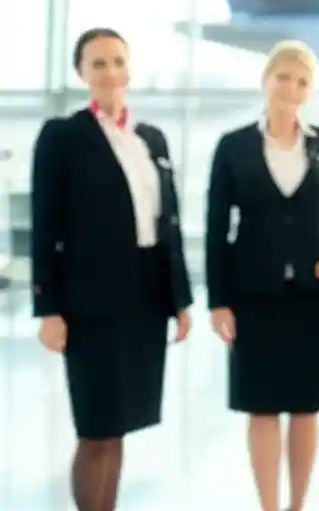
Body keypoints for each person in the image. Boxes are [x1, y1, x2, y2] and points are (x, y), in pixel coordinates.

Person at [31, 28, 194, 510]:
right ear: (81, 72)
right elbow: (46, 225)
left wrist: (180, 300)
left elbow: (170, 222)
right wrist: (49, 308)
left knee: (120, 424)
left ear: (130, 68)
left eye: (117, 61)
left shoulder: (151, 138)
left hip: (145, 298)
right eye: (98, 63)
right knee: (97, 426)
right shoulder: (63, 136)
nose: (109, 72)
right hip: (91, 302)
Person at [205, 40, 319, 511]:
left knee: (306, 407)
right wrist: (219, 300)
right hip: (253, 292)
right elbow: (215, 226)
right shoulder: (234, 146)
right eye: (283, 76)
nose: (291, 87)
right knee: (262, 405)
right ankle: (269, 506)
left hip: (313, 296)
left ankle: (297, 505)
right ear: (266, 79)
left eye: (302, 80)